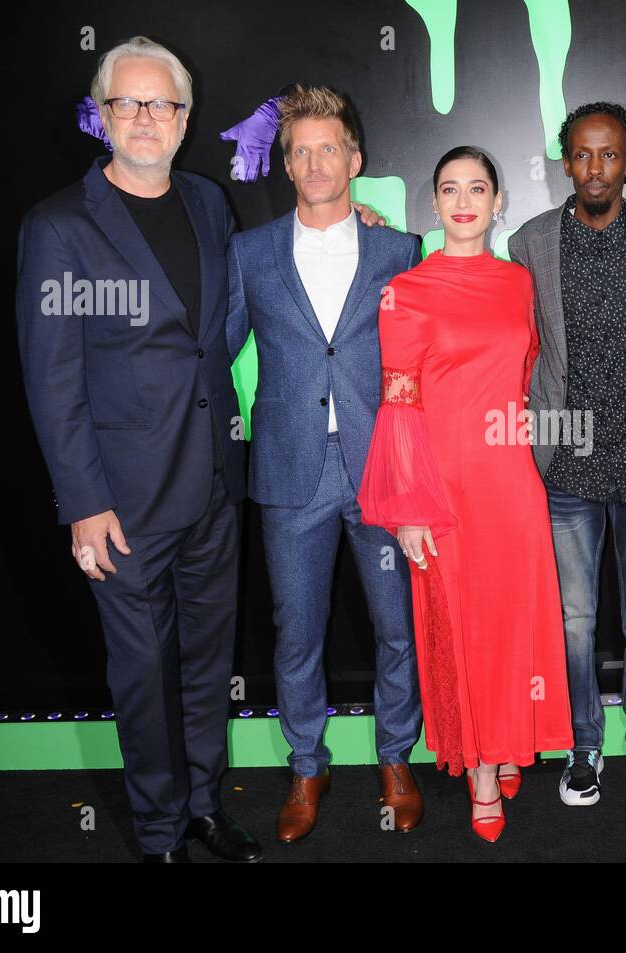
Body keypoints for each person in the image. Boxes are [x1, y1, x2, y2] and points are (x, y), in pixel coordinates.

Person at [16, 36, 259, 862]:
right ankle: (158, 833)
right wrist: (83, 502)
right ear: (102, 114)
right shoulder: (58, 227)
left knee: (204, 664)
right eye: (129, 102)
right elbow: (53, 384)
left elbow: (217, 333)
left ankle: (200, 808)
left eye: (163, 104)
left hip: (213, 489)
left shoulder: (207, 203)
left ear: (186, 119)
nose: (146, 118)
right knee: (142, 676)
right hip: (120, 502)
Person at [225, 84, 425, 843]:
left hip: (380, 471)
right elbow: (215, 354)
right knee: (295, 631)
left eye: (327, 148)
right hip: (288, 470)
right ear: (285, 162)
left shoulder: (398, 249)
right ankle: (307, 765)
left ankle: (395, 758)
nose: (314, 162)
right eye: (299, 150)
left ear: (355, 159)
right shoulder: (250, 254)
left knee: (395, 626)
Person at [358, 146, 573, 843]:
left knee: (515, 621)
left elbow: (533, 374)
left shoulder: (519, 283)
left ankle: (512, 738)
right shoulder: (409, 288)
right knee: (465, 626)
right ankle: (482, 767)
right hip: (443, 485)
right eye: (449, 188)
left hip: (512, 482)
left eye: (477, 188)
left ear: (497, 200)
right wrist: (409, 506)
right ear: (435, 201)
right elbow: (398, 404)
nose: (462, 201)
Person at [509, 103, 626, 807]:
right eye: (581, 154)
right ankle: (584, 743)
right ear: (566, 161)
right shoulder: (530, 242)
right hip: (569, 464)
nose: (595, 168)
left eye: (610, 155)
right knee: (574, 621)